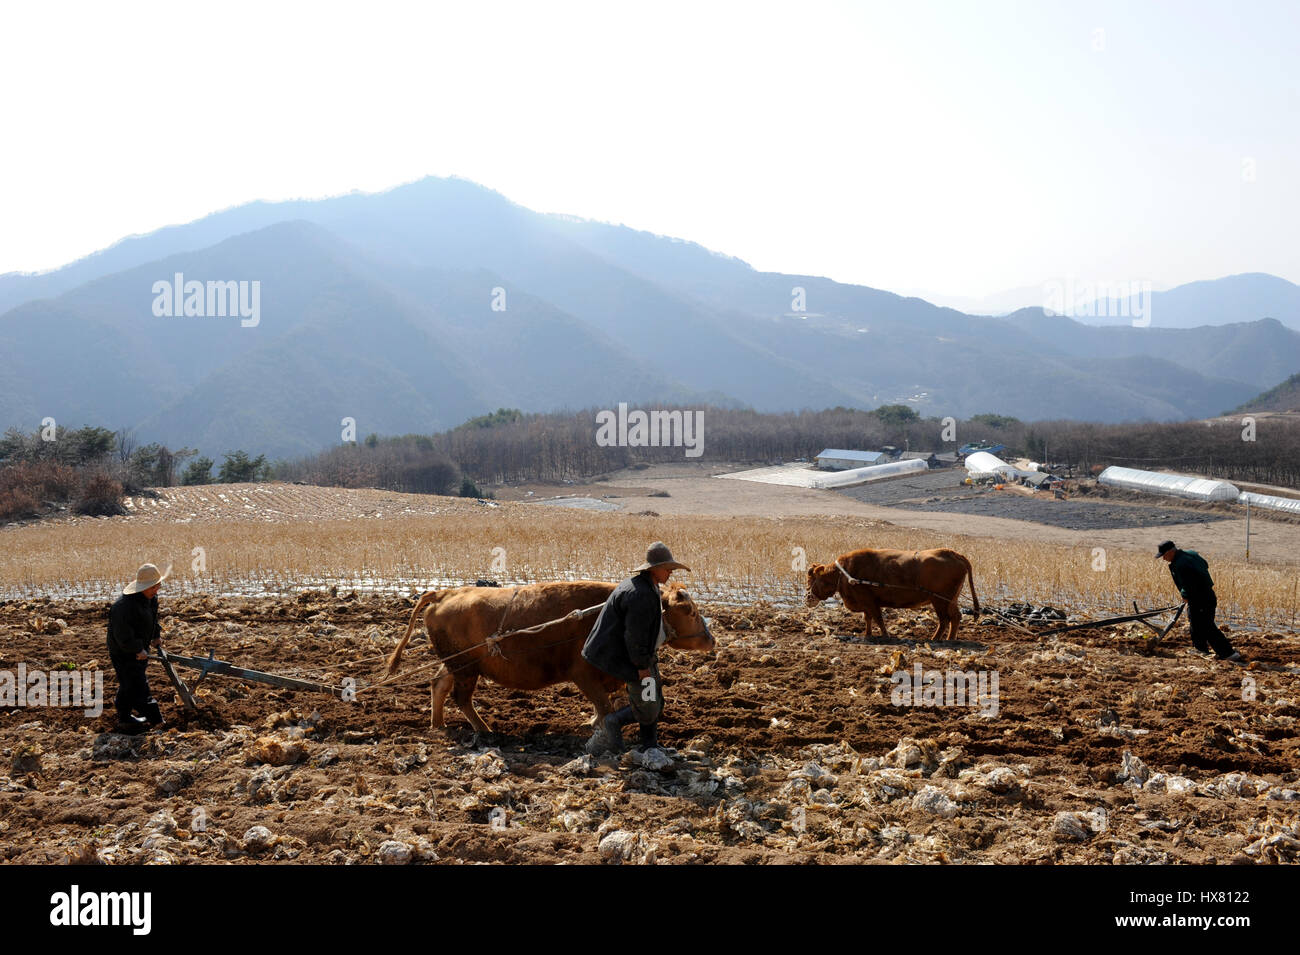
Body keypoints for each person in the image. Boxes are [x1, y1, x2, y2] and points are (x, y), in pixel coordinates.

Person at [582, 542, 690, 754]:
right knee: (648, 703)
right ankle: (612, 722)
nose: (670, 571)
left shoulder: (643, 586)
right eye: (667, 567)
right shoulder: (641, 595)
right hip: (622, 656)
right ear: (653, 569)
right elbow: (635, 637)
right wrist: (641, 667)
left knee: (655, 699)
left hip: (632, 653)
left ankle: (650, 745)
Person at [107, 563, 171, 733]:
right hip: (122, 650)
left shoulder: (150, 599)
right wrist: (137, 649)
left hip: (140, 648)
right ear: (142, 586)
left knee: (129, 683)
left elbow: (152, 620)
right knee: (138, 684)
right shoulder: (123, 607)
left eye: (158, 586)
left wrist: (156, 636)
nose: (156, 590)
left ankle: (124, 718)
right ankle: (157, 720)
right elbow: (123, 635)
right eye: (152, 587)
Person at [1156, 541, 1241, 662]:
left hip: (1199, 597)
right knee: (1196, 623)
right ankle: (1201, 649)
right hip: (1207, 595)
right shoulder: (1191, 554)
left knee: (1206, 626)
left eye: (1164, 555)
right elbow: (1205, 565)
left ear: (1170, 551)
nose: (1164, 559)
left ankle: (1228, 653)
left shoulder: (1180, 564)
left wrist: (1185, 595)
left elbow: (1190, 582)